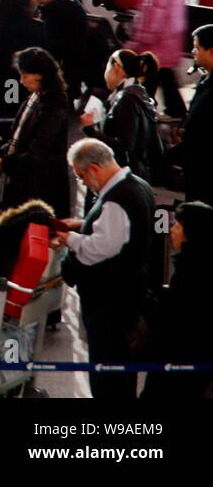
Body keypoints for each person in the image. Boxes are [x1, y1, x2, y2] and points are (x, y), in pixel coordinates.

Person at [56, 138, 156, 399]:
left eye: (81, 176)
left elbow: (98, 250)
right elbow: (120, 233)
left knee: (108, 379)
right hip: (126, 300)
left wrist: (69, 239)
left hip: (110, 306)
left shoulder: (117, 200)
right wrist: (82, 224)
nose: (83, 183)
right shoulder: (138, 186)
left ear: (94, 169)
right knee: (121, 376)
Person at [0, 47, 72, 218]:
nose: (21, 81)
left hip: (38, 189)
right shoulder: (35, 97)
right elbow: (17, 138)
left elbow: (37, 153)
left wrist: (1, 163)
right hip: (24, 181)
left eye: (25, 75)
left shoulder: (53, 106)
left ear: (41, 75)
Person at [140, 200, 213, 398]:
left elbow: (170, 319)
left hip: (177, 364)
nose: (172, 229)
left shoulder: (191, 272)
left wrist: (144, 297)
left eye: (178, 225)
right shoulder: (196, 264)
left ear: (192, 232)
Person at [81, 49, 164, 183]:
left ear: (116, 67)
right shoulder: (135, 93)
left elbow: (124, 147)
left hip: (125, 176)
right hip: (132, 173)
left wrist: (91, 130)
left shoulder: (126, 99)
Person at [168, 26, 213, 205]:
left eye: (197, 47)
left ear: (211, 51)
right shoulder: (205, 79)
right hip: (195, 163)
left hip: (205, 169)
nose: (193, 52)